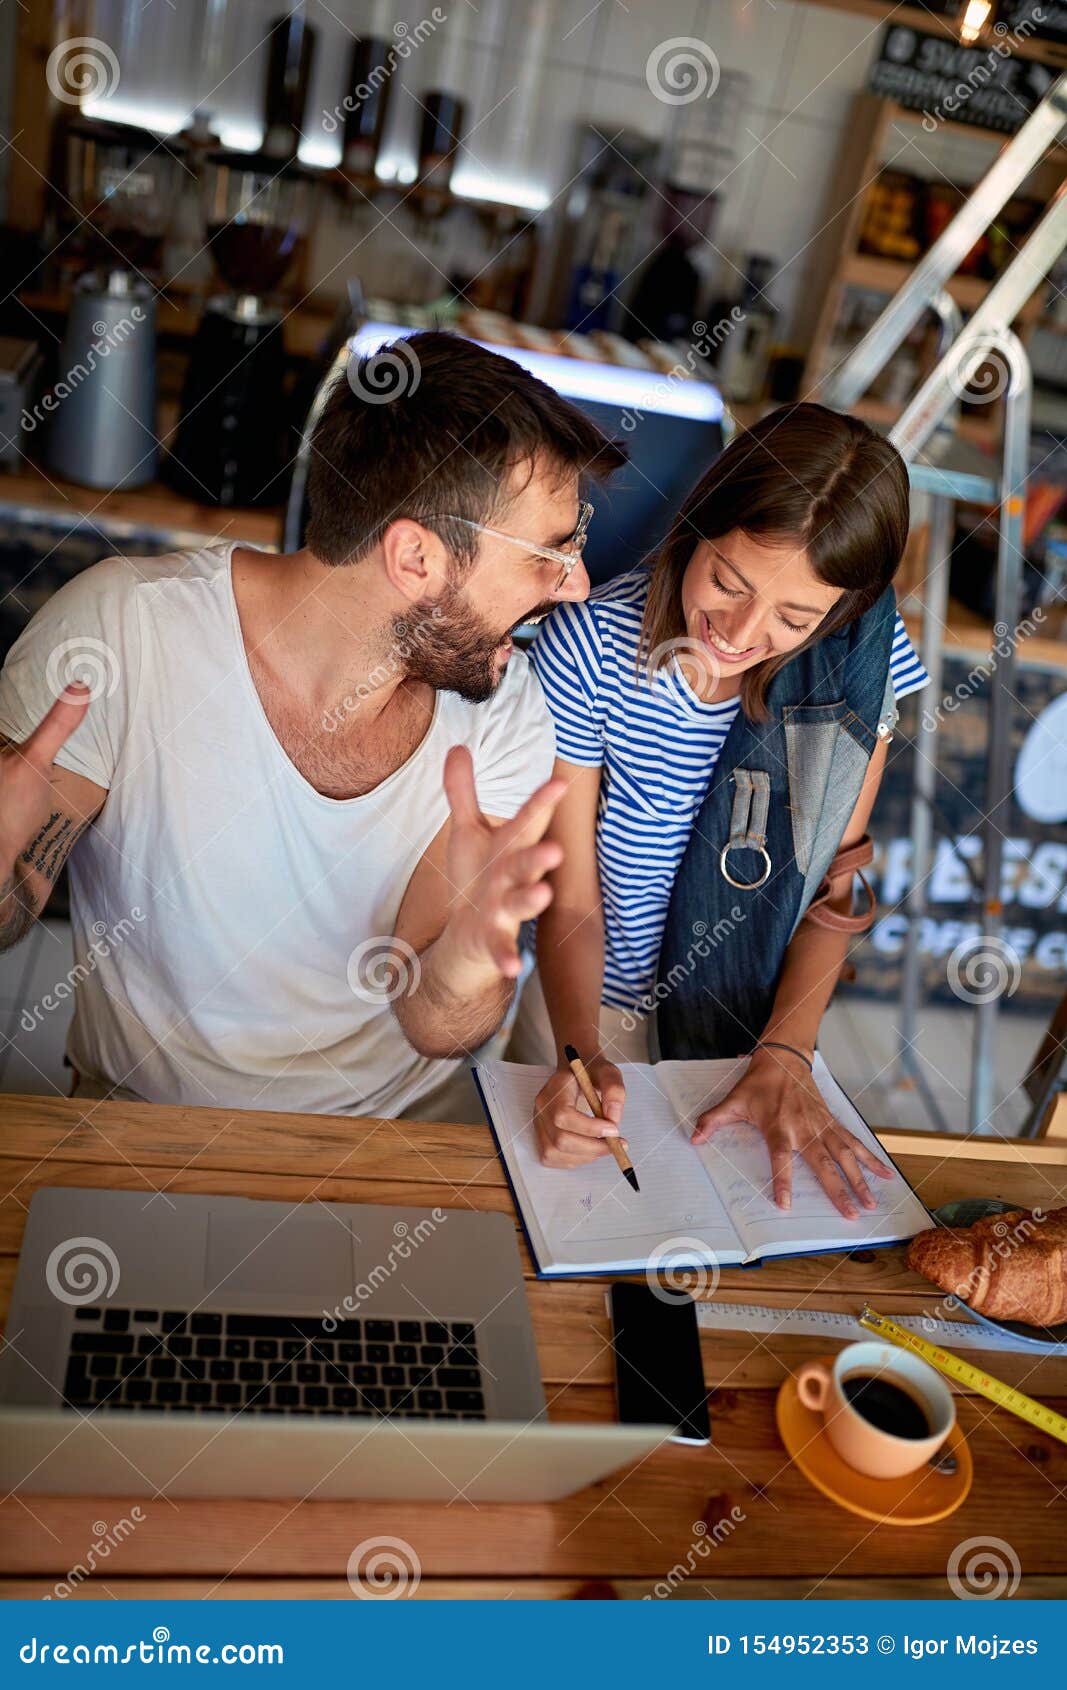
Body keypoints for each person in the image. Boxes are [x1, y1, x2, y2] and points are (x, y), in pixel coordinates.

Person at [0, 330, 624, 1121]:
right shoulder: (123, 630)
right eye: (550, 551)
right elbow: (11, 908)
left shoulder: (502, 709)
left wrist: (469, 958)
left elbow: (436, 1024)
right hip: (144, 1127)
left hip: (393, 1140)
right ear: (416, 560)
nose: (577, 585)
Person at [515, 403, 929, 1216]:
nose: (740, 633)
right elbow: (570, 903)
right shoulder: (592, 648)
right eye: (727, 583)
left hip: (755, 1024)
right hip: (590, 1003)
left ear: (842, 615)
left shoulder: (858, 668)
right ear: (696, 524)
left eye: (794, 618)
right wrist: (581, 1060)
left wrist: (785, 1053)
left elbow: (829, 889)